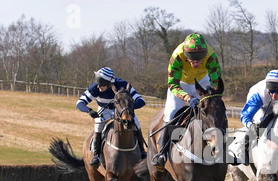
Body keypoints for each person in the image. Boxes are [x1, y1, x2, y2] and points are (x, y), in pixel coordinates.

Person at [151, 33, 222, 171]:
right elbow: (173, 84)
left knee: (216, 110)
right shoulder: (177, 56)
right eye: (192, 60)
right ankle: (162, 153)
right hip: (181, 83)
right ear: (185, 54)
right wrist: (187, 98)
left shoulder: (211, 56)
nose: (196, 63)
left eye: (199, 60)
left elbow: (216, 81)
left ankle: (224, 147)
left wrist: (212, 97)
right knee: (170, 113)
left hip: (202, 81)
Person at [76, 67, 147, 169]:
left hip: (122, 110)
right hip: (104, 110)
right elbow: (80, 102)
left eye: (102, 85)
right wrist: (89, 110)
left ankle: (142, 151)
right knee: (98, 126)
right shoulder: (95, 88)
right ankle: (96, 156)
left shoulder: (122, 84)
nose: (99, 87)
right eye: (98, 84)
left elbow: (141, 100)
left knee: (136, 123)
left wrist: (128, 108)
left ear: (109, 84)